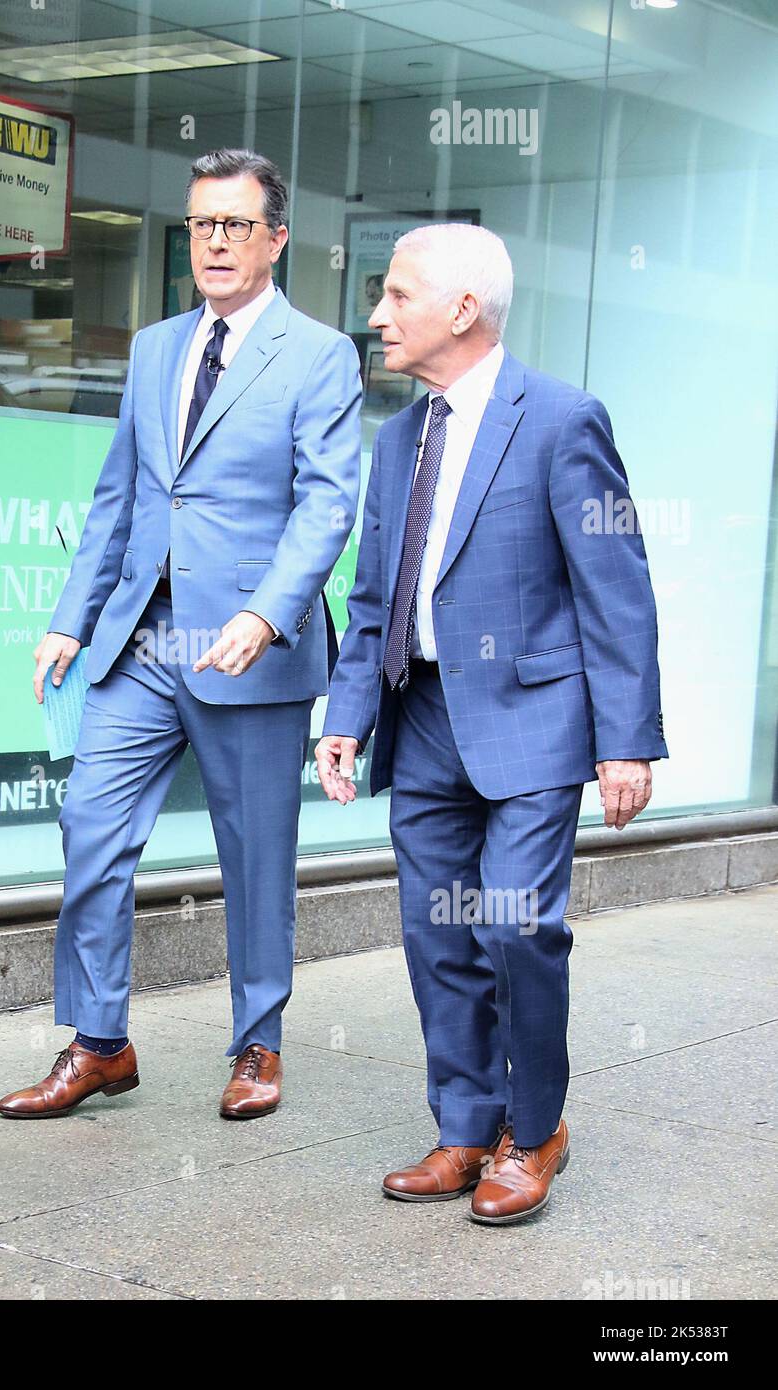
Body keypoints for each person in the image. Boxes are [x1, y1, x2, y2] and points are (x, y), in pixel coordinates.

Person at [0, 148, 362, 1123]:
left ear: (276, 239)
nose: (213, 241)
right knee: (91, 826)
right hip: (140, 644)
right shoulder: (156, 347)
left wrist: (265, 610)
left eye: (235, 225)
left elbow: (328, 506)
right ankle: (99, 1041)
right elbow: (119, 494)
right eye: (201, 224)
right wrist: (69, 620)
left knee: (254, 861)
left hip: (250, 648)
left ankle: (258, 1044)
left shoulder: (321, 355)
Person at [315, 223, 666, 1224]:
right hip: (420, 715)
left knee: (516, 923)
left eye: (396, 295)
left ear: (462, 310)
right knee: (438, 933)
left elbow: (618, 591)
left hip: (534, 722)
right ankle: (464, 1129)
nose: (377, 315)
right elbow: (373, 592)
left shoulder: (561, 420)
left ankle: (536, 1125)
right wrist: (347, 715)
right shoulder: (398, 437)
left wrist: (626, 738)